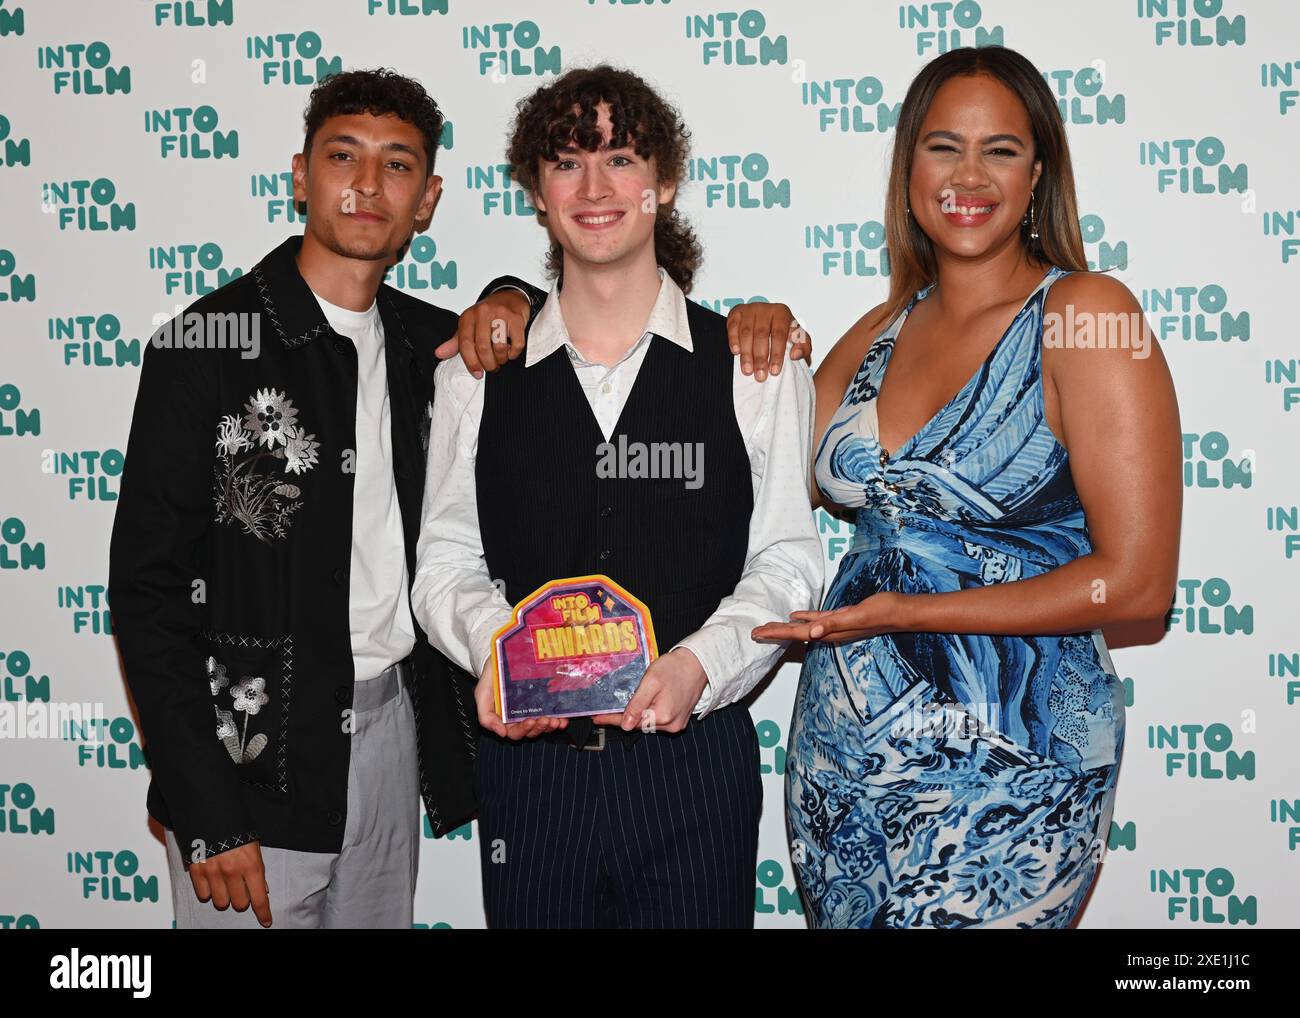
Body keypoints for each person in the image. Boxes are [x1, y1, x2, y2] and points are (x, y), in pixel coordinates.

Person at [752, 46, 1181, 928]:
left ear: (1039, 175)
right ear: (909, 167)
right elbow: (759, 474)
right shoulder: (880, 326)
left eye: (1002, 149)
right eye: (943, 146)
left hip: (1011, 750)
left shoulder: (1085, 314)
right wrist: (752, 333)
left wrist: (907, 614)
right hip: (844, 751)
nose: (969, 174)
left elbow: (1137, 584)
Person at [411, 64, 824, 928]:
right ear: (536, 187)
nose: (595, 189)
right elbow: (445, 558)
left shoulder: (756, 364)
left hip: (694, 775)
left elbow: (789, 561)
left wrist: (700, 664)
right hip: (531, 784)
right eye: (567, 162)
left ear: (663, 183)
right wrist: (503, 654)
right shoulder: (479, 371)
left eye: (622, 159)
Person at [109, 68, 520, 928]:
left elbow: (567, 328)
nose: (368, 185)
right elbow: (148, 596)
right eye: (344, 156)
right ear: (301, 176)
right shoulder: (205, 347)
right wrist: (204, 808)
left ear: (429, 199)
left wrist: (514, 295)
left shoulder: (431, 346)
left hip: (390, 742)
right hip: (248, 764)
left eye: (398, 165)